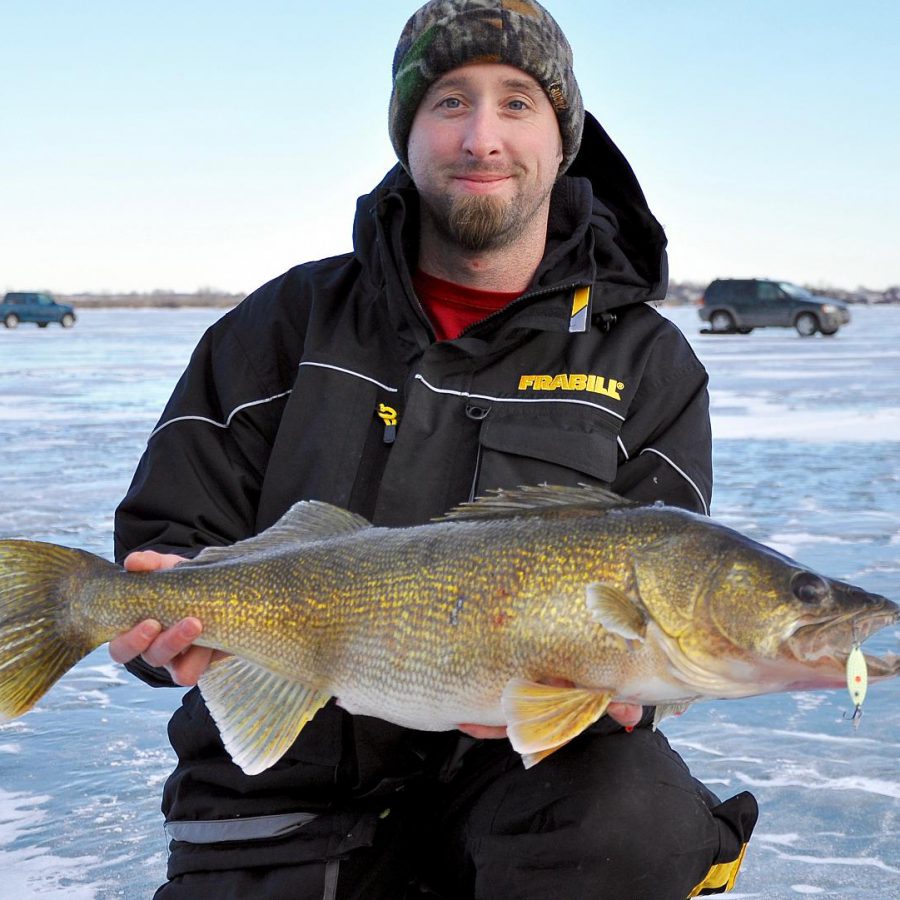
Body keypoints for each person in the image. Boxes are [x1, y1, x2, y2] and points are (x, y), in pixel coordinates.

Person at [109, 1, 758, 897]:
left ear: (563, 137)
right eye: (450, 101)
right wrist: (157, 624)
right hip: (275, 803)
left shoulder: (646, 364)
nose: (482, 138)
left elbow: (671, 602)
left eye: (518, 103)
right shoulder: (283, 323)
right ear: (407, 133)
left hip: (525, 808)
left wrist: (627, 694)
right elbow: (172, 542)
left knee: (635, 821)